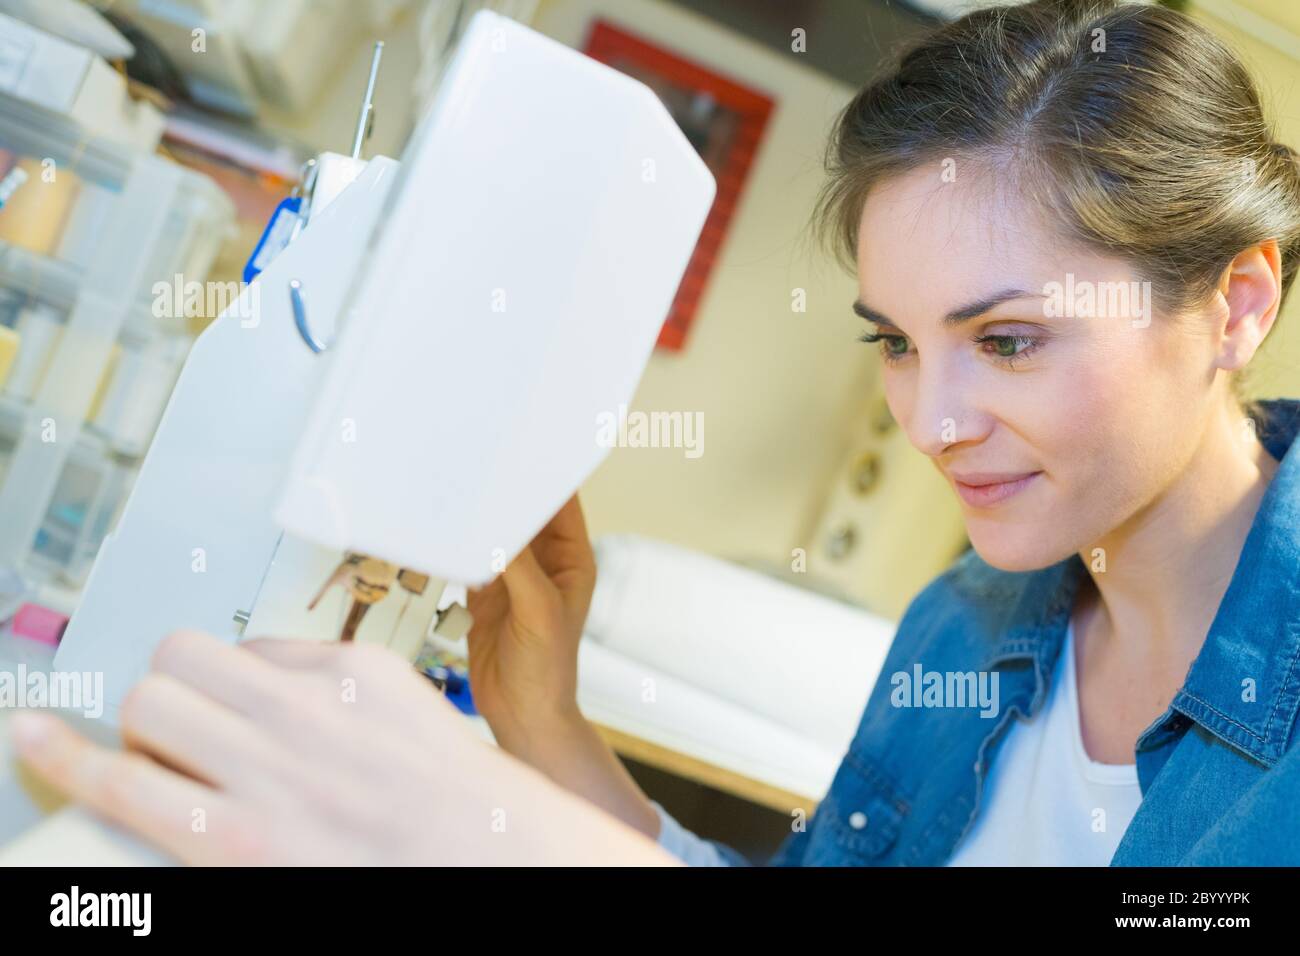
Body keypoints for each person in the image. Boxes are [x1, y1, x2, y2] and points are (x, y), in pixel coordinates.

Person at [11, 0, 1300, 865]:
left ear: (1236, 303)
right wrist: (545, 732)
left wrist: (504, 834)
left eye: (1008, 341)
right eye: (897, 344)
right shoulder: (965, 626)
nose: (934, 422)